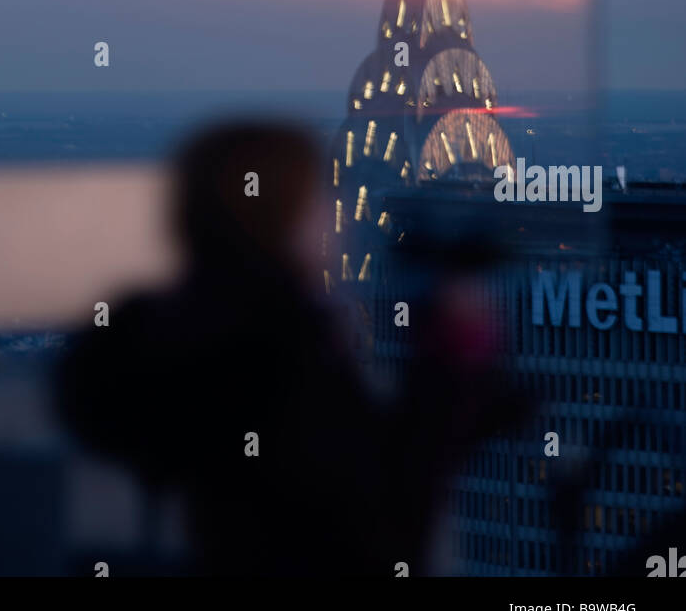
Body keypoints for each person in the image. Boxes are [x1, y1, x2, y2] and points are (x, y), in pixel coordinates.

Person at [55, 119, 519, 576]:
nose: (334, 217)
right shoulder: (284, 355)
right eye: (321, 198)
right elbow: (382, 531)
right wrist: (452, 366)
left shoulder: (161, 341)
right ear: (288, 217)